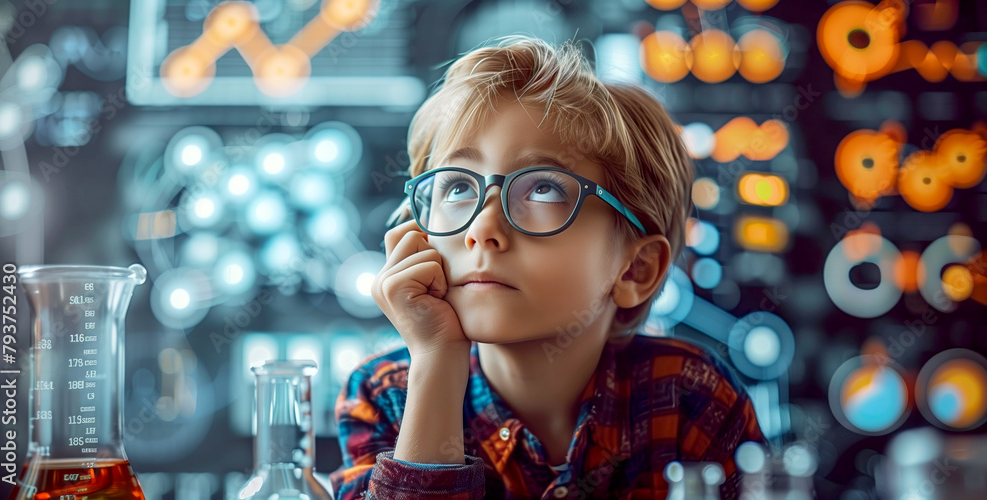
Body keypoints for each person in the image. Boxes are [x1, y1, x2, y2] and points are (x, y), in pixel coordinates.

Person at [328, 35, 766, 499]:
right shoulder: (386, 397)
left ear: (635, 269)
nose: (482, 227)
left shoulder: (693, 396)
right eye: (457, 186)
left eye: (543, 189)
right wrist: (436, 365)